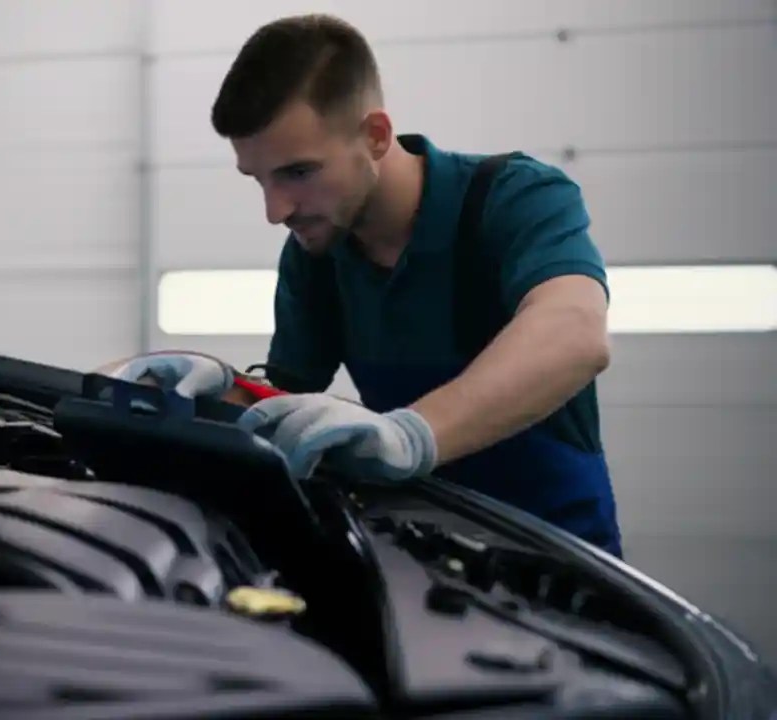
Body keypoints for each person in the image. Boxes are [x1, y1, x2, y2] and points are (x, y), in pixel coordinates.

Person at [101, 14, 623, 557]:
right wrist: (214, 393)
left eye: (298, 173)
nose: (276, 210)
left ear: (375, 136)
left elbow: (574, 333)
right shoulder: (319, 253)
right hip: (427, 564)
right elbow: (290, 402)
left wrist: (413, 435)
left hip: (564, 567)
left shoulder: (515, 198)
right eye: (259, 179)